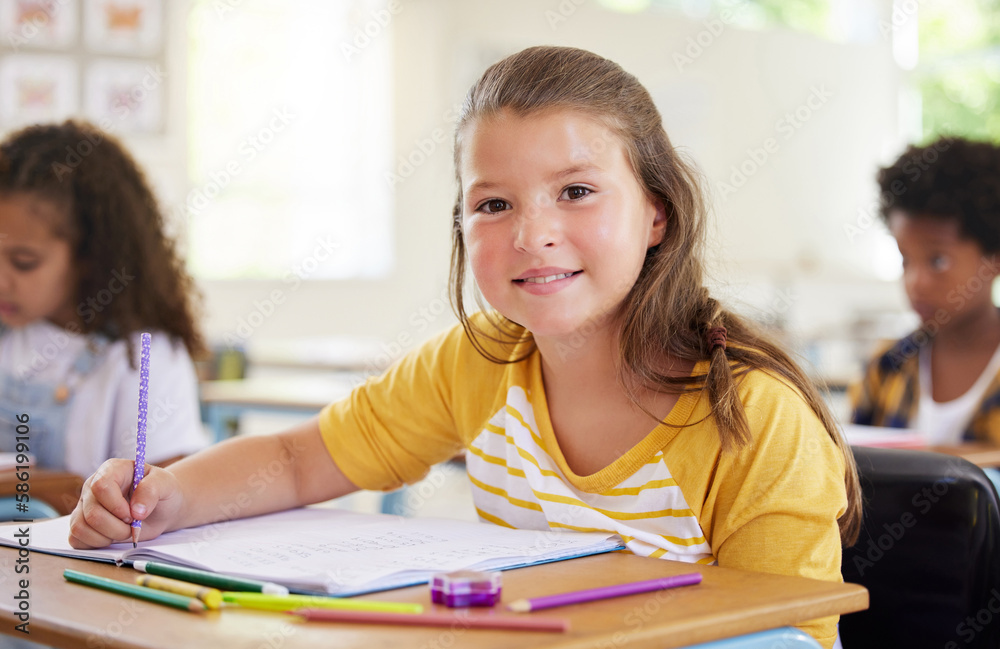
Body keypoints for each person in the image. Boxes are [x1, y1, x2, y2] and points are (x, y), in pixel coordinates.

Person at [68, 47, 860, 648]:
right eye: (493, 203)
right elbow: (299, 460)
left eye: (576, 191)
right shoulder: (478, 359)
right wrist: (171, 494)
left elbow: (783, 633)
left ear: (656, 212)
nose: (532, 232)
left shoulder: (754, 416)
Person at [0, 120, 210, 482]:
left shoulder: (144, 358)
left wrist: (37, 486)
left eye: (24, 263)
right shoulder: (10, 334)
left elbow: (156, 501)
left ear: (90, 257)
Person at [850, 137, 1000, 445]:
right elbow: (845, 477)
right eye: (905, 260)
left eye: (938, 260)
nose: (915, 282)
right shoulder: (886, 367)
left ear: (993, 258)